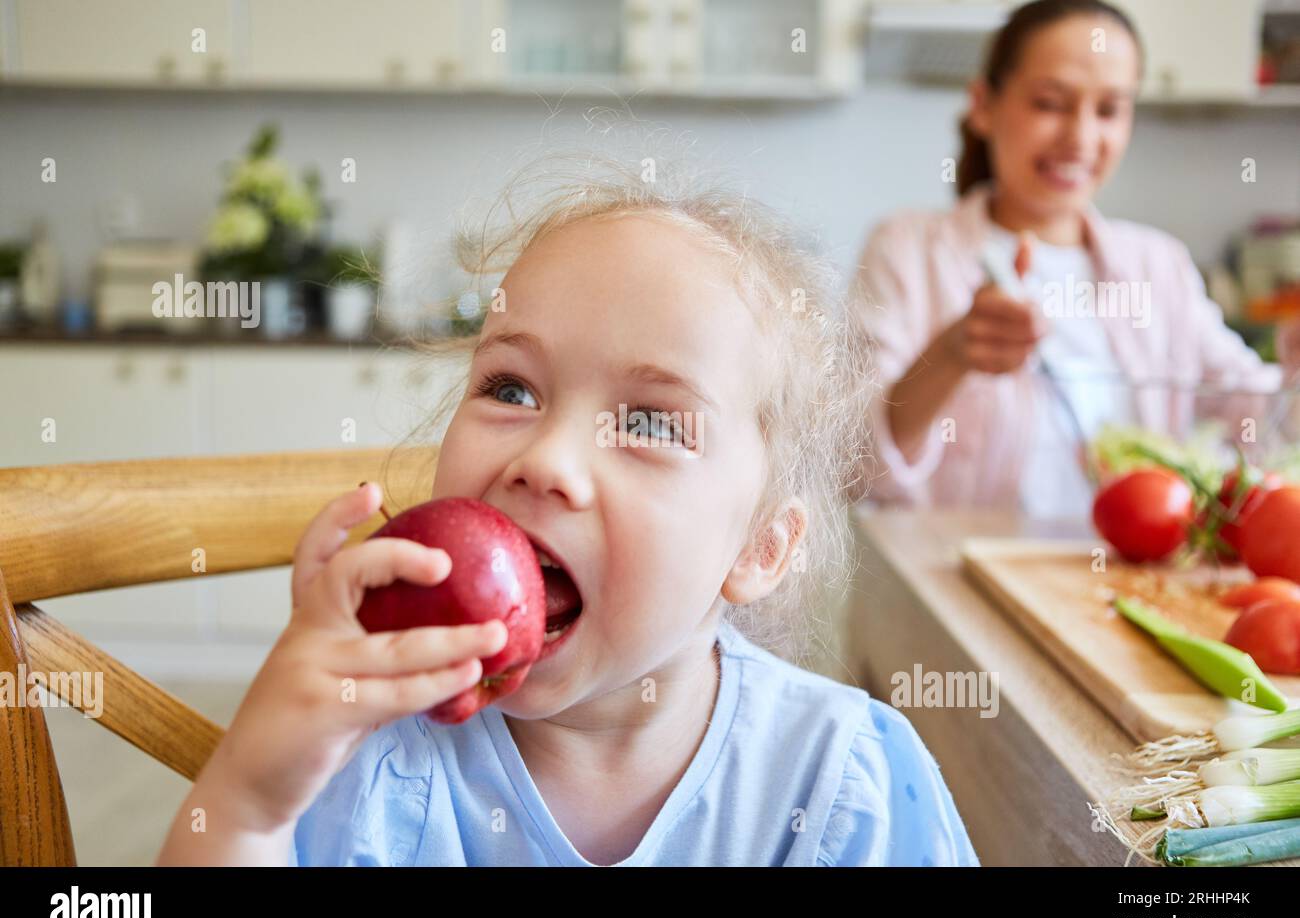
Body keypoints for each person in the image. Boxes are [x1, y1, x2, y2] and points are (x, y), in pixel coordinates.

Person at [155, 144, 979, 867]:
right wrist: (249, 803)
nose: (545, 460)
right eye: (511, 388)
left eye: (651, 422)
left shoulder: (840, 781)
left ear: (760, 546)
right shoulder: (365, 750)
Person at [852, 0, 1300, 514]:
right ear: (983, 104)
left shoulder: (1158, 266)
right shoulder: (908, 250)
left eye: (1109, 110)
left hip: (1120, 579)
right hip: (951, 584)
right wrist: (952, 354)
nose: (1081, 138)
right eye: (1050, 103)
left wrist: (1293, 378)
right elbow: (859, 468)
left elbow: (1258, 426)